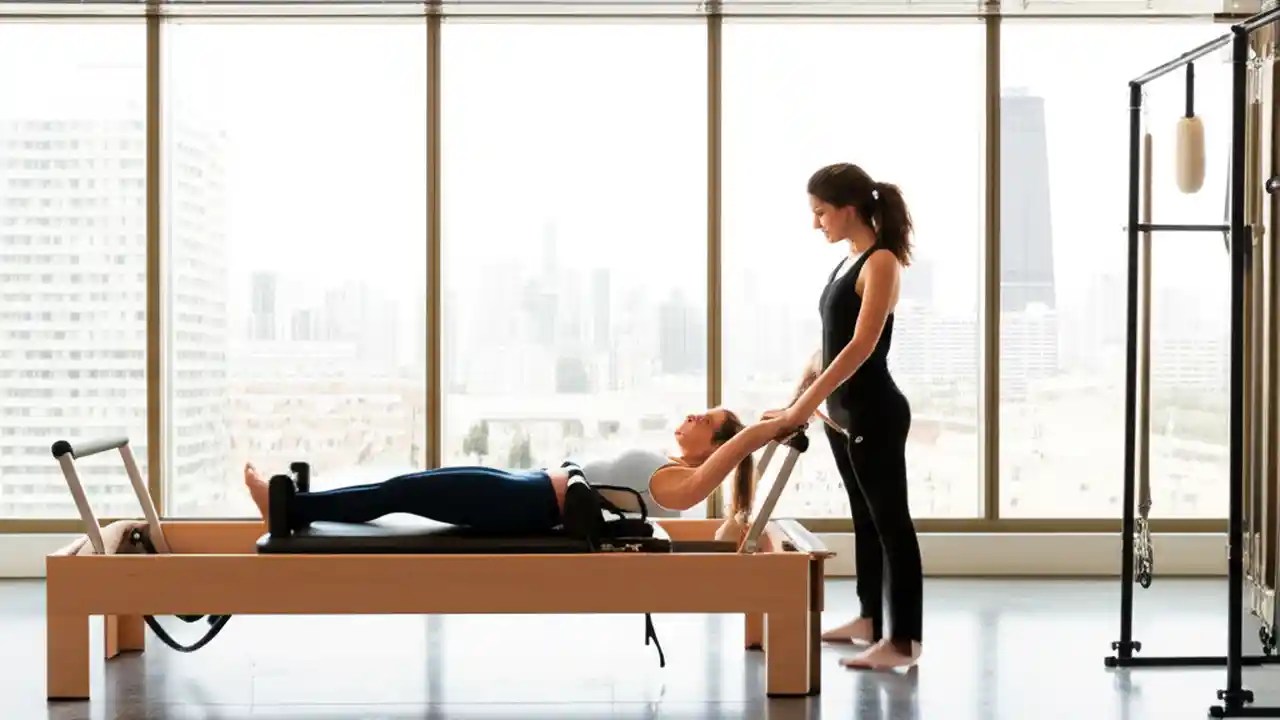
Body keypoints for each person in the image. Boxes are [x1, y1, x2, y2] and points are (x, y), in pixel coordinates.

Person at [764, 162, 923, 671]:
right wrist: (797, 397)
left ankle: (904, 642)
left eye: (821, 213)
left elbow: (859, 347)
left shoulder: (881, 262)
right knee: (865, 521)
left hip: (874, 411)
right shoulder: (847, 261)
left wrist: (803, 407)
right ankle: (870, 620)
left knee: (892, 525)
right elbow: (827, 346)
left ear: (848, 209)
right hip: (842, 416)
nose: (817, 224)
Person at [243, 407, 798, 544]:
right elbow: (746, 433)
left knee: (405, 491)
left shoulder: (680, 486)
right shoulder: (672, 469)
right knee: (408, 484)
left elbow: (732, 457)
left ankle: (289, 508)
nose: (695, 415)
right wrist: (778, 414)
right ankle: (299, 505)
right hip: (527, 485)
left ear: (718, 449)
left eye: (710, 420)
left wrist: (766, 432)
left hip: (528, 500)